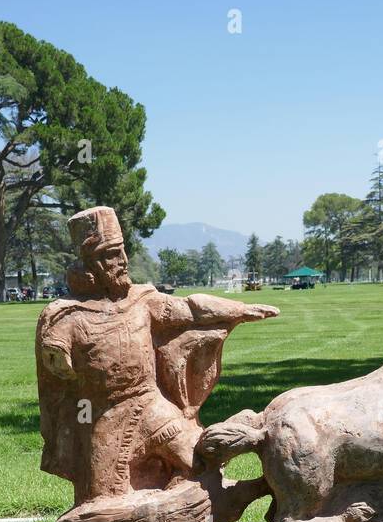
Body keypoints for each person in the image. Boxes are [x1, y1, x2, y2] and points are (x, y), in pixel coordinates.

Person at [35, 206, 278, 505]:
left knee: (201, 461)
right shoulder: (67, 316)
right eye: (112, 254)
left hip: (152, 406)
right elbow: (57, 364)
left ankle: (199, 510)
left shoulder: (142, 301)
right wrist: (57, 357)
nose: (122, 262)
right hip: (105, 418)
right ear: (90, 262)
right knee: (100, 503)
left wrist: (239, 310)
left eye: (122, 252)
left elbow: (190, 309)